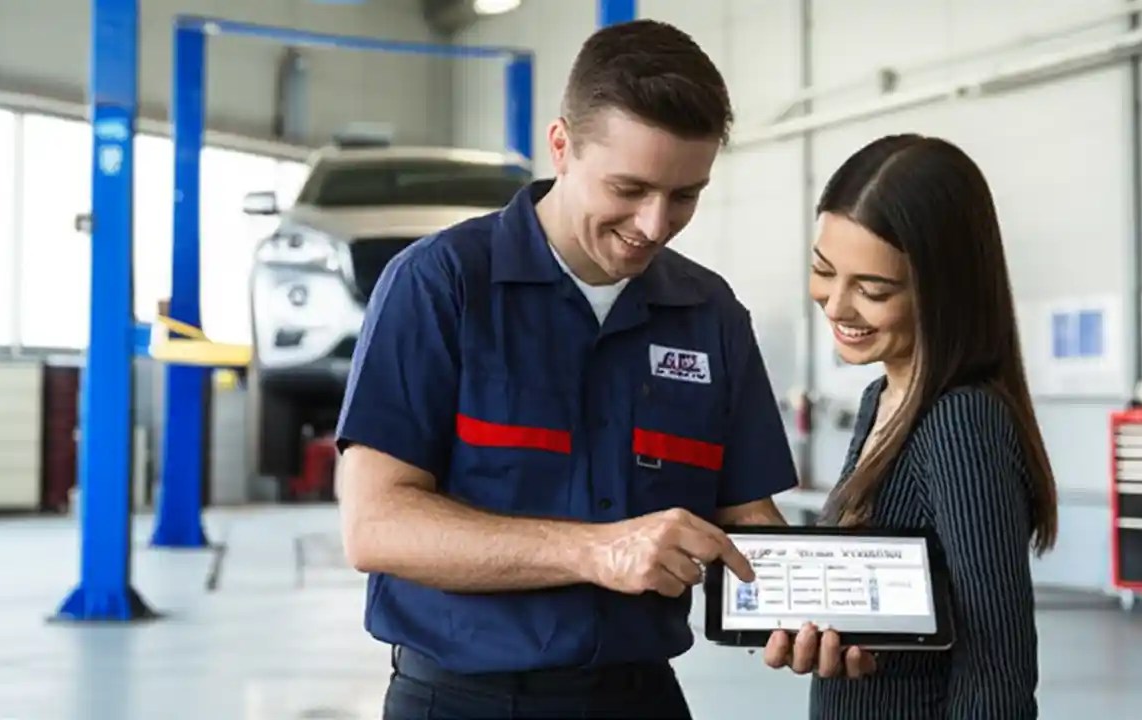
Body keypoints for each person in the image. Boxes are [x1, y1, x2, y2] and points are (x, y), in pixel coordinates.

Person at [333, 18, 869, 720]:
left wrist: (815, 610)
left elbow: (746, 517)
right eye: (629, 188)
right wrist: (594, 552)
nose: (654, 223)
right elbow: (376, 524)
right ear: (562, 146)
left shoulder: (708, 313)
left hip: (640, 697)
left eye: (685, 195)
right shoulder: (441, 286)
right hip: (466, 700)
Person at [796, 133, 1059, 719]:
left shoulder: (961, 421)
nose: (836, 305)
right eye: (823, 270)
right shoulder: (879, 398)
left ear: (942, 292)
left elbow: (997, 671)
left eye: (872, 289)